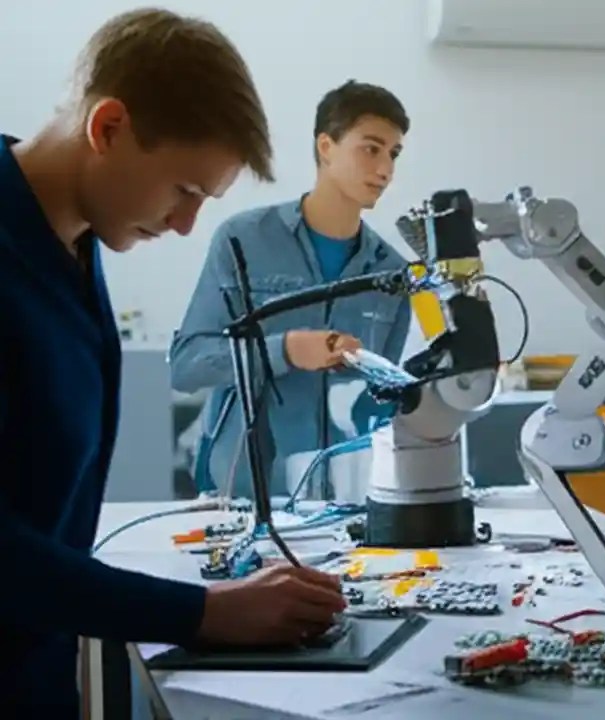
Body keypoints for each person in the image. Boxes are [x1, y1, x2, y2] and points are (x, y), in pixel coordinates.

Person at [0, 9, 346, 715]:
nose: (188, 226)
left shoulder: (68, 235)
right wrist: (204, 613)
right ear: (108, 128)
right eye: (185, 191)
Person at [170, 80, 413, 499]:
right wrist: (285, 350)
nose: (385, 170)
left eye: (393, 154)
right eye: (371, 148)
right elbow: (187, 365)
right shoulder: (242, 240)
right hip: (245, 498)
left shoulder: (391, 274)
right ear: (326, 146)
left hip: (345, 505)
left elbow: (381, 402)